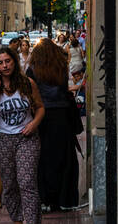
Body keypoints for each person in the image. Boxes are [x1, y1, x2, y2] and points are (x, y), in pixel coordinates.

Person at [0, 45, 46, 224]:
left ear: (14, 61)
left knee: (27, 181)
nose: (4, 65)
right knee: (9, 183)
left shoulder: (27, 83)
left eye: (7, 61)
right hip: (1, 139)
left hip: (26, 137)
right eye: (0, 62)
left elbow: (40, 108)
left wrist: (33, 124)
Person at [27, 38, 80, 211]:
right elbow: (64, 90)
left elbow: (29, 94)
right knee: (64, 157)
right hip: (62, 115)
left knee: (42, 158)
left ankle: (45, 198)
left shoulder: (32, 70)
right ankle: (63, 198)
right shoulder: (60, 67)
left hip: (41, 115)